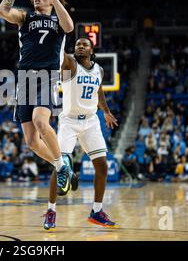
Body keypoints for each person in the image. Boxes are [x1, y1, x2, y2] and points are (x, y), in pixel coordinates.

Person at [0, 0, 74, 195]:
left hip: (47, 76)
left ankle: (61, 167)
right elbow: (2, 11)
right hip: (25, 79)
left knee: (41, 122)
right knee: (31, 142)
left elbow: (69, 26)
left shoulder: (58, 20)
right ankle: (62, 166)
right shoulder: (25, 16)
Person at [43, 38, 119, 231]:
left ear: (91, 50)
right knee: (58, 166)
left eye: (84, 45)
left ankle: (97, 211)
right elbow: (60, 55)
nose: (80, 47)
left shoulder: (99, 70)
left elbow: (99, 92)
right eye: (77, 45)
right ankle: (51, 211)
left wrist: (107, 112)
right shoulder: (69, 64)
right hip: (69, 121)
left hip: (91, 121)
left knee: (102, 166)